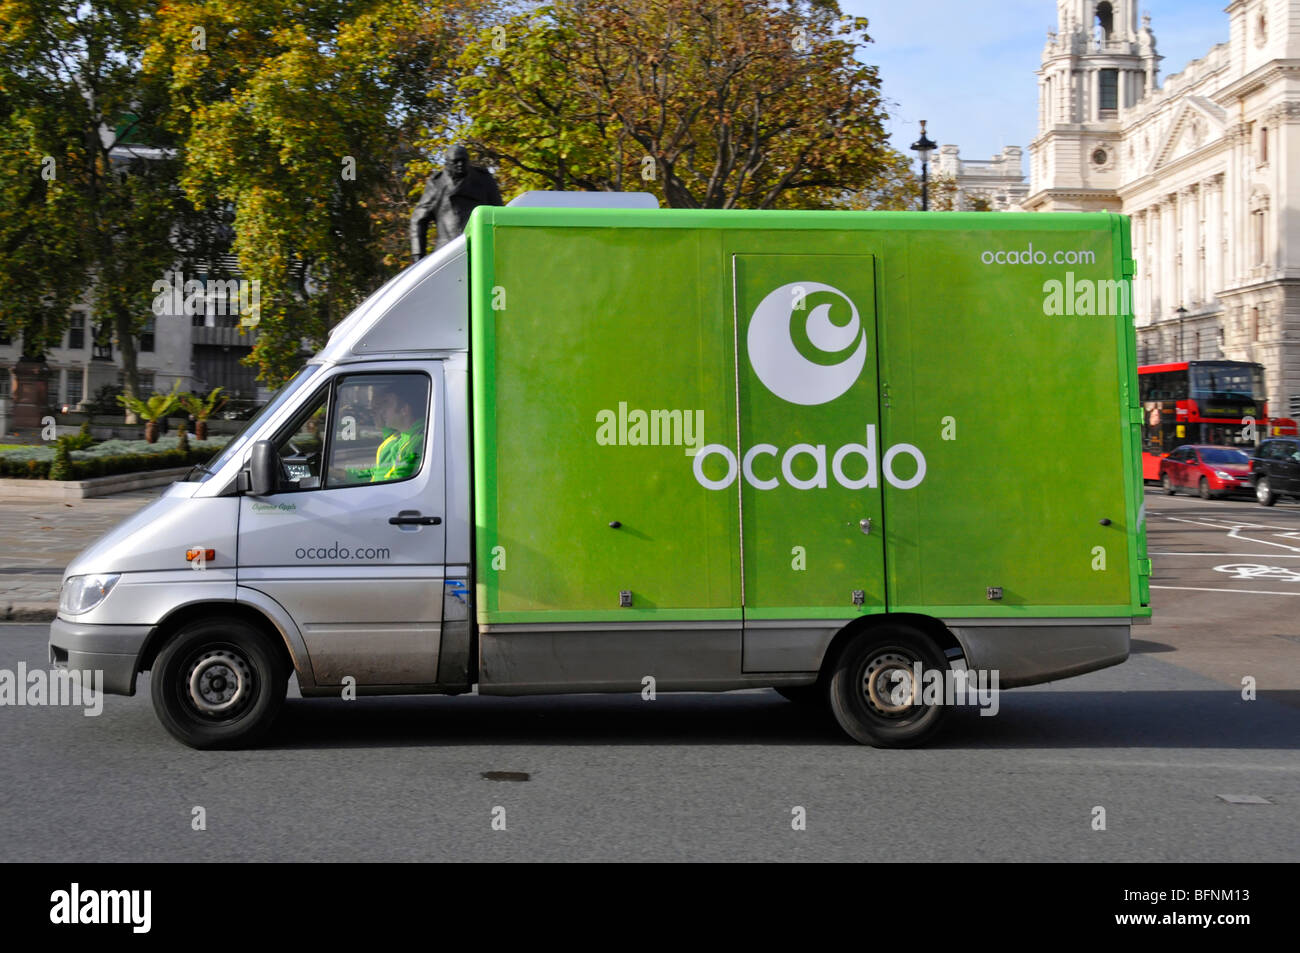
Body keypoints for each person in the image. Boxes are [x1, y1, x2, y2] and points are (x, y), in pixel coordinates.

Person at [409, 144, 504, 260]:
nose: (460, 165)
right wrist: (418, 256)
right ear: (447, 163)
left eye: (463, 161)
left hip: (480, 250)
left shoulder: (484, 179)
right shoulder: (437, 184)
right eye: (456, 161)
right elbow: (418, 219)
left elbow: (500, 215)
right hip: (447, 252)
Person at [366, 378, 426, 483]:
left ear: (404, 410)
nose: (382, 410)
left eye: (387, 404)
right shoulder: (405, 438)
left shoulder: (418, 442)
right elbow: (379, 473)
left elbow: (393, 482)